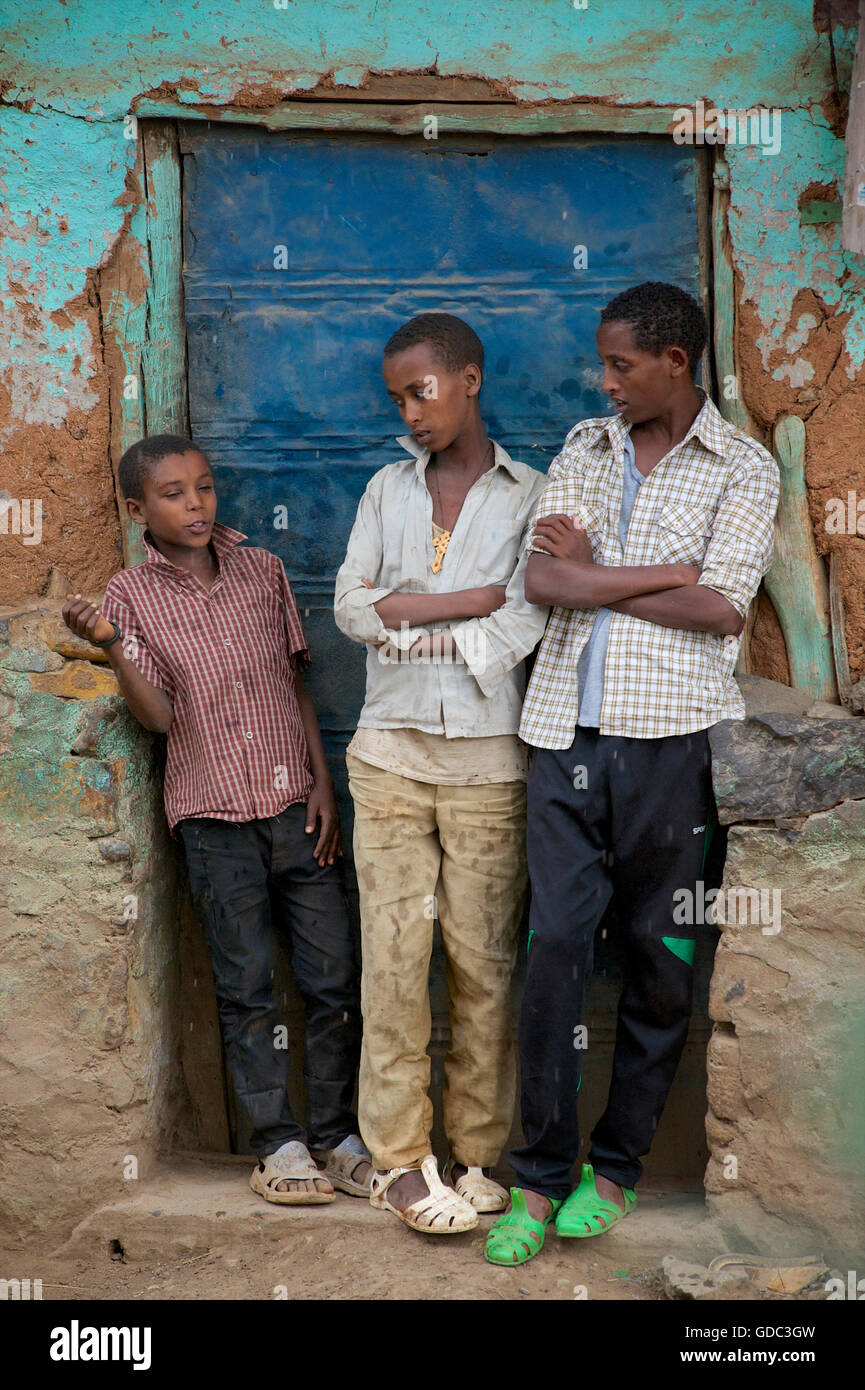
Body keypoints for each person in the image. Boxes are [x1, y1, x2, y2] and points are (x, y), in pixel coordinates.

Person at [485, 282, 780, 1265]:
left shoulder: (741, 467)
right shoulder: (584, 447)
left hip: (674, 747)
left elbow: (723, 609)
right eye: (602, 363)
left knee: (660, 964)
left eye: (621, 365)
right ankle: (536, 1178)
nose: (604, 382)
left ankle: (612, 1172)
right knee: (555, 952)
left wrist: (602, 572)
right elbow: (544, 581)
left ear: (676, 364)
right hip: (565, 737)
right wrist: (660, 574)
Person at [62, 434, 371, 1206]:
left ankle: (337, 1138)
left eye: (203, 487)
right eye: (173, 494)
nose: (195, 504)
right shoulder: (130, 597)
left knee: (333, 979)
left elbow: (295, 686)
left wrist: (321, 785)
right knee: (247, 989)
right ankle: (279, 1146)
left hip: (296, 808)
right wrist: (111, 648)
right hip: (212, 820)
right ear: (139, 510)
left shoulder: (262, 572)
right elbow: (161, 719)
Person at [334, 313, 549, 1234]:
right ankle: (398, 1161)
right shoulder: (387, 489)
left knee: (483, 963)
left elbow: (526, 618)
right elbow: (349, 606)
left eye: (420, 391)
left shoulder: (534, 494)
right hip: (386, 755)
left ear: (469, 379)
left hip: (488, 765)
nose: (409, 413)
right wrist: (465, 602)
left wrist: (410, 617)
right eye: (396, 399)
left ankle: (477, 1153)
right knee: (391, 961)